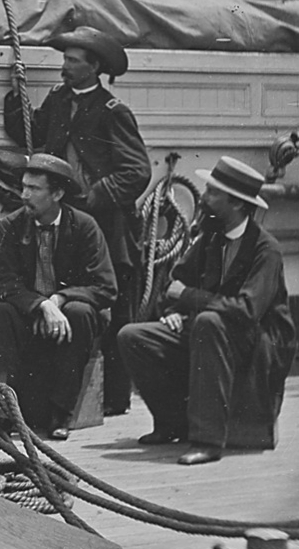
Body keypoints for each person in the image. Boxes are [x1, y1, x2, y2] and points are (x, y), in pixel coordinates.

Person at [4, 25, 151, 417]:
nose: (64, 67)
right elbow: (28, 131)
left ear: (94, 66)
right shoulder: (58, 99)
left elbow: (137, 172)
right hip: (67, 223)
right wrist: (14, 91)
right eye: (64, 59)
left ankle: (116, 400)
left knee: (116, 310)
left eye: (73, 61)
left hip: (109, 228)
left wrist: (92, 197)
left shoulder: (112, 112)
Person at [117, 156, 295, 465]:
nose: (204, 198)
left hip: (257, 341)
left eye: (213, 193)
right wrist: (172, 309)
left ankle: (208, 441)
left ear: (237, 204)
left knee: (210, 322)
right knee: (133, 336)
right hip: (210, 329)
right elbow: (175, 286)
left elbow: (247, 309)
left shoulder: (266, 250)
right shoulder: (210, 239)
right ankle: (171, 423)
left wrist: (188, 298)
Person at [0, 154, 117, 439]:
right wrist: (39, 304)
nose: (24, 195)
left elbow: (105, 287)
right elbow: (1, 282)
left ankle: (60, 414)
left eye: (34, 189)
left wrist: (60, 300)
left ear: (57, 193)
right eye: (23, 187)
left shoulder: (84, 226)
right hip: (31, 313)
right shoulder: (12, 226)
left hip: (71, 315)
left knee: (80, 313)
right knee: (3, 312)